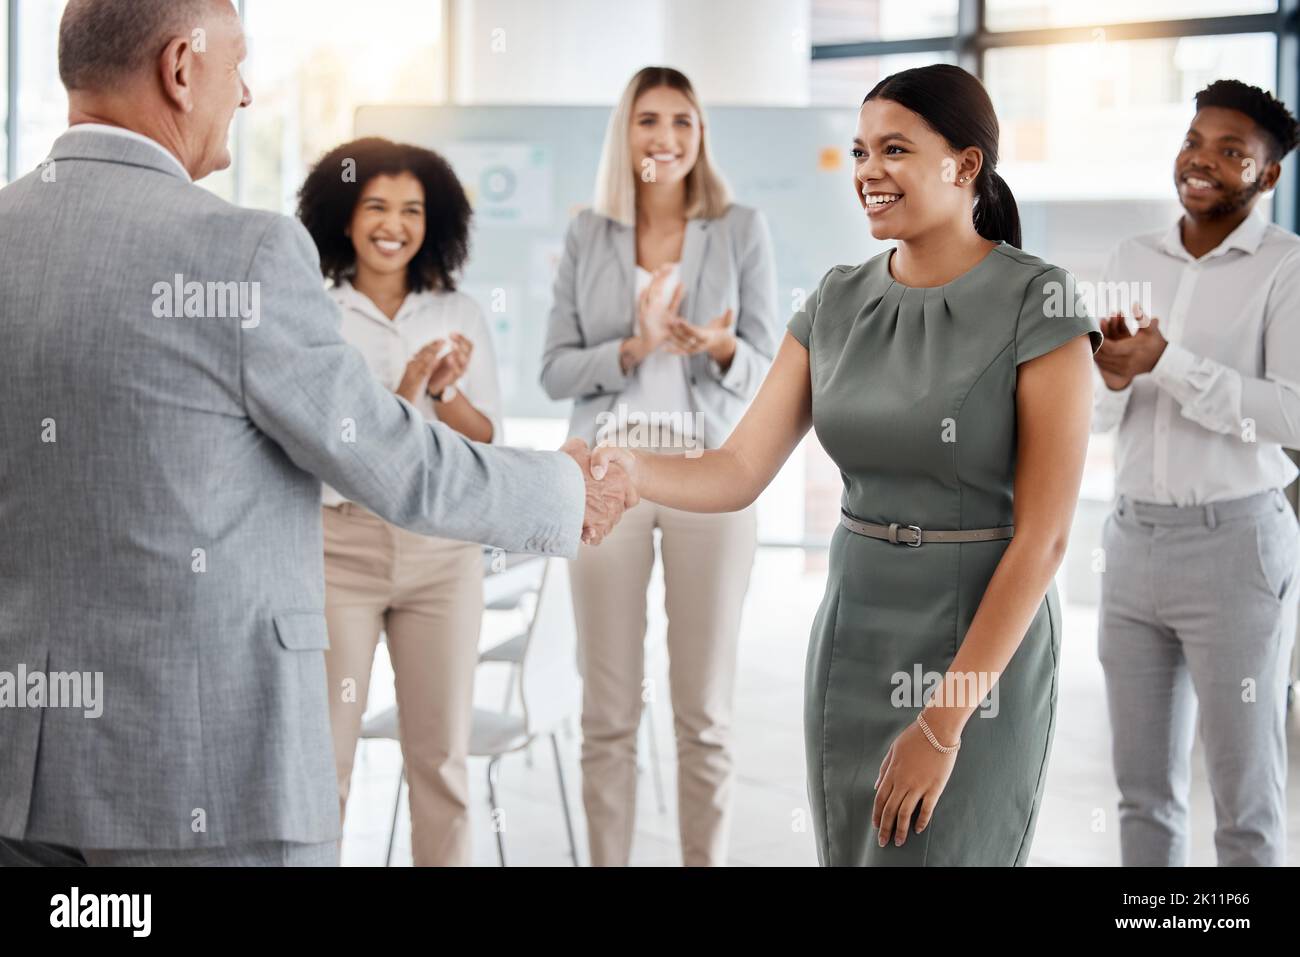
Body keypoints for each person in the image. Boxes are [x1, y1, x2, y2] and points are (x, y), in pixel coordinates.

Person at [0, 0, 632, 868]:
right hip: (207, 772)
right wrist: (563, 487)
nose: (249, 92)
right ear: (182, 68)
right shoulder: (241, 251)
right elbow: (388, 456)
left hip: (22, 774)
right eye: (237, 63)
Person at [590, 64, 1102, 866]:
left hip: (978, 646)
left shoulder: (1041, 304)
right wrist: (626, 467)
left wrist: (941, 722)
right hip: (855, 636)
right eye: (861, 151)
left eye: (894, 149)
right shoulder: (835, 300)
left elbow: (1045, 541)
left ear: (965, 166)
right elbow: (736, 468)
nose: (867, 172)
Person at [541, 66, 779, 866]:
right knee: (607, 708)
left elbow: (766, 363)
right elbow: (553, 372)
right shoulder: (589, 233)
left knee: (703, 711)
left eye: (682, 120)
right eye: (649, 120)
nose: (666, 137)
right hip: (609, 474)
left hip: (709, 475)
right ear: (627, 131)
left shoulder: (741, 227)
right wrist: (635, 346)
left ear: (700, 132)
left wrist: (716, 347)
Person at [1091, 79, 1300, 867]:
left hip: (1235, 547)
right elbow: (1100, 414)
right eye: (1194, 139)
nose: (1201, 162)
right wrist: (1111, 377)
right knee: (1142, 794)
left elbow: (1292, 413)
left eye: (1231, 151)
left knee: (1245, 804)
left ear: (1267, 175)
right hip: (1132, 541)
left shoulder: (1287, 268)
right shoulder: (1129, 257)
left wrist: (1168, 362)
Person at [297, 138, 503, 866]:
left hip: (441, 553)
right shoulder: (315, 314)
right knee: (325, 759)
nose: (395, 223)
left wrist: (444, 391)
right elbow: (326, 441)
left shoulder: (461, 310)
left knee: (440, 761)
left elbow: (485, 437)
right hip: (338, 550)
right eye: (376, 205)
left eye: (413, 209)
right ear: (343, 217)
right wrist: (406, 387)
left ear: (435, 221)